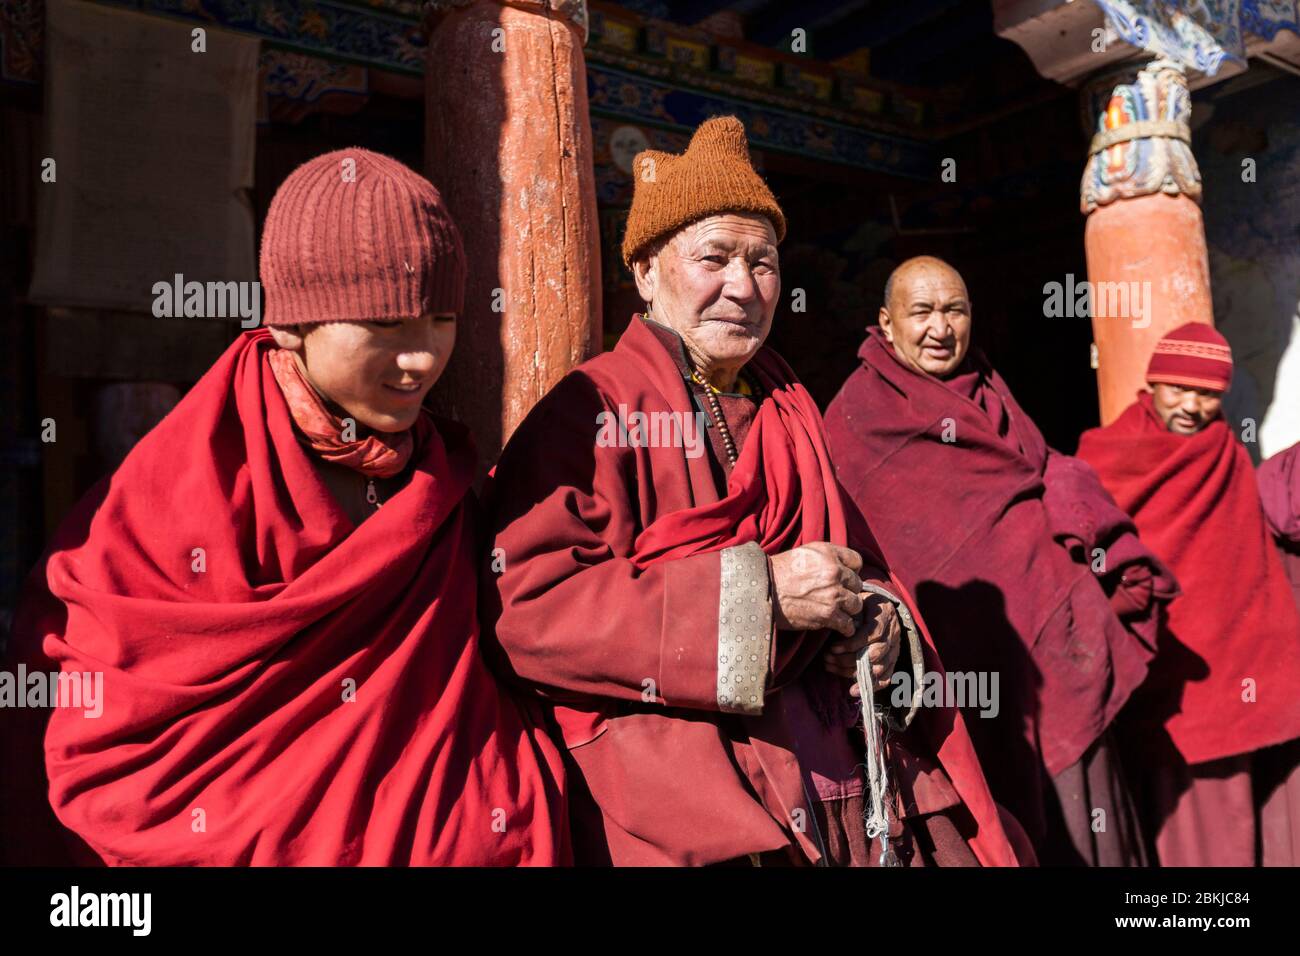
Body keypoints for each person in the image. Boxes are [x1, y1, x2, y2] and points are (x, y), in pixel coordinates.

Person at [0, 148, 567, 866]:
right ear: (294, 323)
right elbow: (104, 722)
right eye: (386, 324)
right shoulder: (184, 481)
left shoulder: (446, 481)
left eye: (441, 318)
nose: (422, 358)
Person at [482, 118, 1023, 867]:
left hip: (845, 783)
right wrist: (757, 599)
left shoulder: (788, 403)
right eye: (715, 258)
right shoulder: (592, 412)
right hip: (694, 805)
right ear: (645, 271)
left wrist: (880, 633)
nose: (743, 286)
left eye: (763, 262)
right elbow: (530, 610)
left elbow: (865, 567)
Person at [824, 256, 1175, 865]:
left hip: (1053, 649)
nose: (941, 328)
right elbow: (863, 547)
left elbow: (1034, 469)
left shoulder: (985, 384)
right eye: (922, 312)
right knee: (1001, 815)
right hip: (956, 664)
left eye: (955, 310)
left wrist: (1073, 503)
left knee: (1088, 811)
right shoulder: (858, 419)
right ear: (885, 322)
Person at [1076, 322, 1300, 866]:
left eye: (1205, 393)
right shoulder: (1107, 452)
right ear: (1152, 383)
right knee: (1176, 813)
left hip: (1234, 659)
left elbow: (1241, 552)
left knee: (1243, 799)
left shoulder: (1224, 449)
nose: (1191, 405)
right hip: (1163, 662)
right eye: (1177, 387)